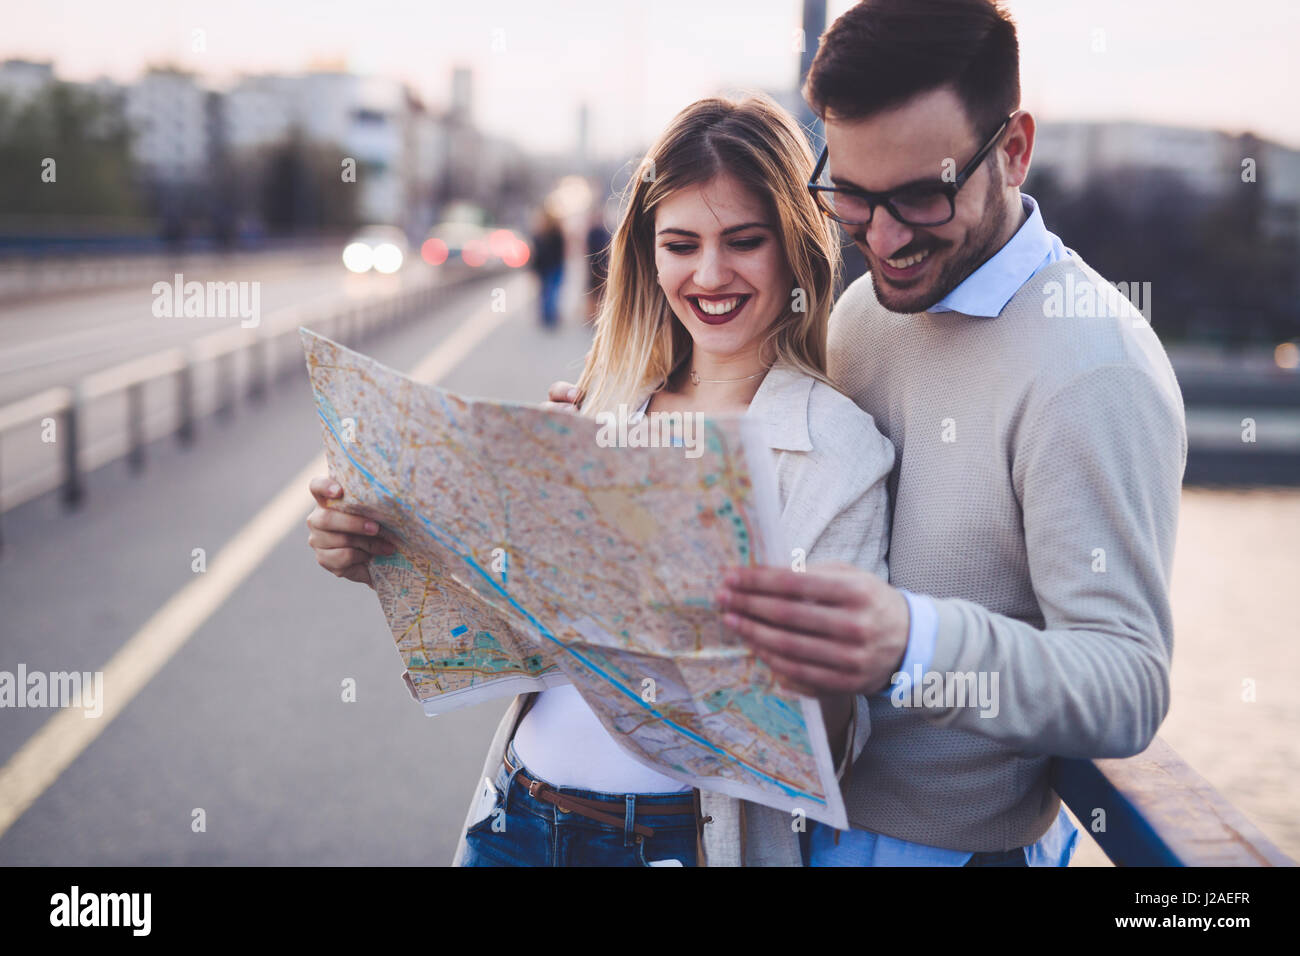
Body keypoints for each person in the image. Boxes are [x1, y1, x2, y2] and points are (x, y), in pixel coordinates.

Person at [551, 0, 1187, 867]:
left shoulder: (1094, 369)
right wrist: (609, 449)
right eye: (851, 193)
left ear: (1013, 148)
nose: (883, 238)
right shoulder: (864, 311)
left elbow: (1127, 685)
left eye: (923, 194)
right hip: (773, 824)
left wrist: (912, 642)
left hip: (942, 851)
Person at [306, 91, 896, 866]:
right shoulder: (603, 401)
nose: (709, 274)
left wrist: (774, 639)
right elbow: (522, 626)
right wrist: (384, 548)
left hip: (672, 841)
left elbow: (840, 741)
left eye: (744, 241)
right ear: (647, 253)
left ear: (793, 246)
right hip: (517, 815)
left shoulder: (840, 452)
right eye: (680, 244)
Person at [530, 210, 566, 329]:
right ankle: (550, 316)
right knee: (552, 292)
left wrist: (533, 269)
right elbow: (562, 251)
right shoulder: (557, 233)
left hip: (545, 267)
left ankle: (547, 316)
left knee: (546, 292)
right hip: (554, 266)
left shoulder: (539, 234)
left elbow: (535, 254)